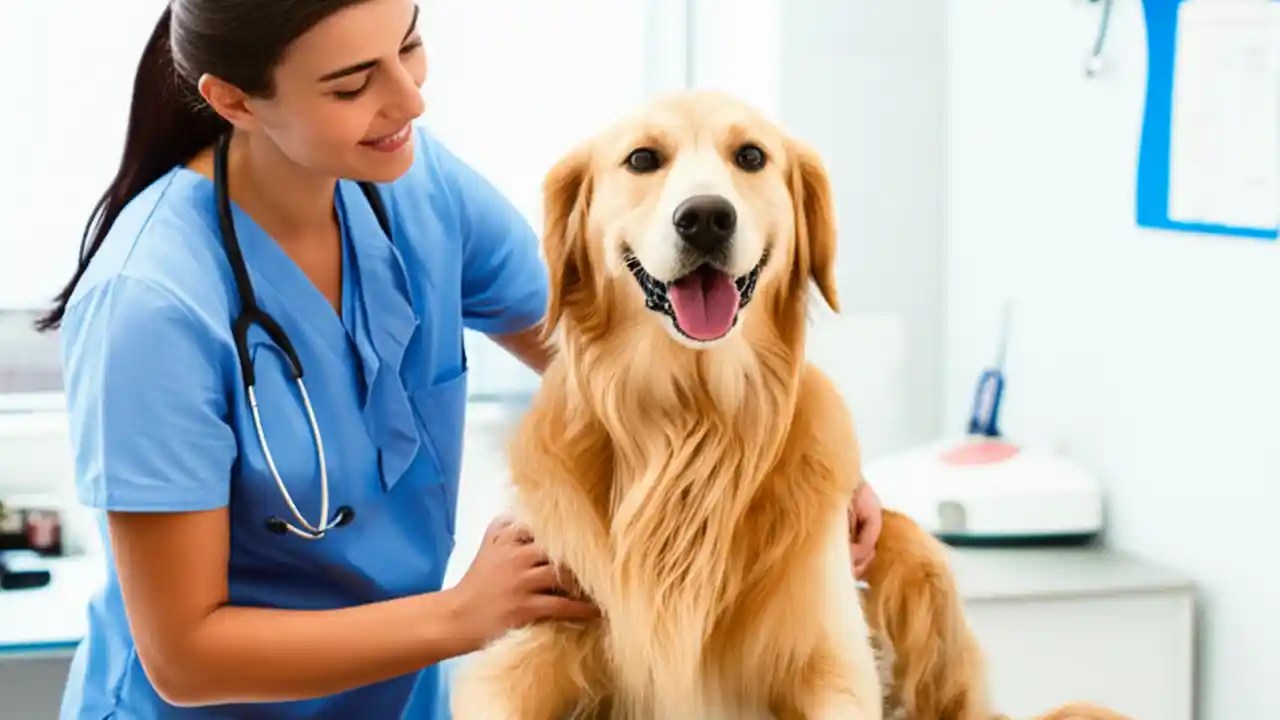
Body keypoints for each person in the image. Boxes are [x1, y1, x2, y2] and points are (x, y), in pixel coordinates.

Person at [39, 1, 884, 717]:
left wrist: (800, 461)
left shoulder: (415, 182)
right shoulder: (151, 304)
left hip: (401, 699)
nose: (408, 98)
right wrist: (461, 616)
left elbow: (602, 344)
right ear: (235, 101)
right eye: (352, 83)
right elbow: (187, 659)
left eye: (407, 42)